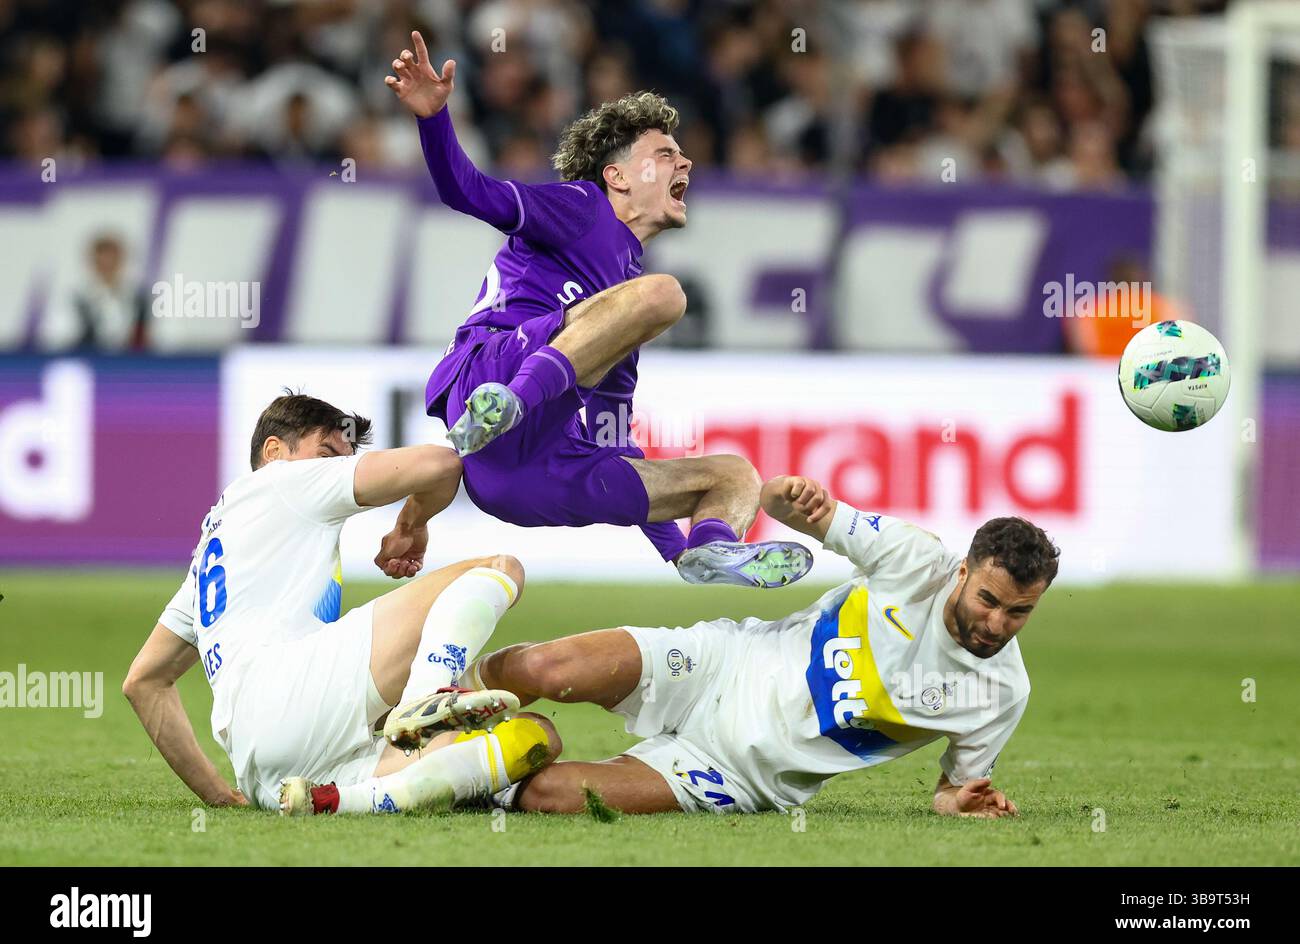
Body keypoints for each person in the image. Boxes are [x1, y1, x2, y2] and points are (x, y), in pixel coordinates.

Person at [381, 31, 812, 590]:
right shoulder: (583, 208)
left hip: (529, 475)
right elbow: (468, 192)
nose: (687, 162)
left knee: (734, 476)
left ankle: (708, 555)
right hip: (489, 376)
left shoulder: (627, 303)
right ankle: (511, 402)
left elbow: (611, 434)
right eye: (665, 154)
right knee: (666, 294)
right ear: (617, 176)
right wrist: (435, 119)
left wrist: (674, 547)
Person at [441, 474, 1058, 817]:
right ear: (962, 572)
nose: (998, 624)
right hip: (723, 666)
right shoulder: (914, 557)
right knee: (543, 668)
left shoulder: (1000, 693)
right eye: (989, 600)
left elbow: (954, 789)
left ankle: (433, 773)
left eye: (1019, 612)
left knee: (547, 794)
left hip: (740, 774)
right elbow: (783, 505)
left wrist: (958, 803)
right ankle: (423, 701)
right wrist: (792, 498)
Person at [122, 391, 559, 814]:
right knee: (501, 568)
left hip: (261, 770)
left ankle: (348, 799)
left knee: (533, 738)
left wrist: (220, 797)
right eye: (328, 455)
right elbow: (441, 464)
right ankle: (424, 696)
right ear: (274, 451)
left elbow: (144, 683)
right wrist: (412, 524)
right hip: (293, 691)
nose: (339, 469)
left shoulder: (211, 559)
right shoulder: (281, 481)